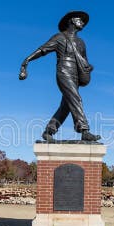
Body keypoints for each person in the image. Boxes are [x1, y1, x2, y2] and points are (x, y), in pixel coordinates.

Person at [19, 11, 101, 142]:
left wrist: (88, 68)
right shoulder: (59, 37)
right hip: (64, 71)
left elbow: (84, 60)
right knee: (76, 99)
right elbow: (42, 50)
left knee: (67, 105)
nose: (83, 23)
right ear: (72, 21)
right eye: (80, 20)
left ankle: (49, 131)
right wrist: (27, 60)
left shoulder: (81, 42)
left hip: (76, 75)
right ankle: (84, 130)